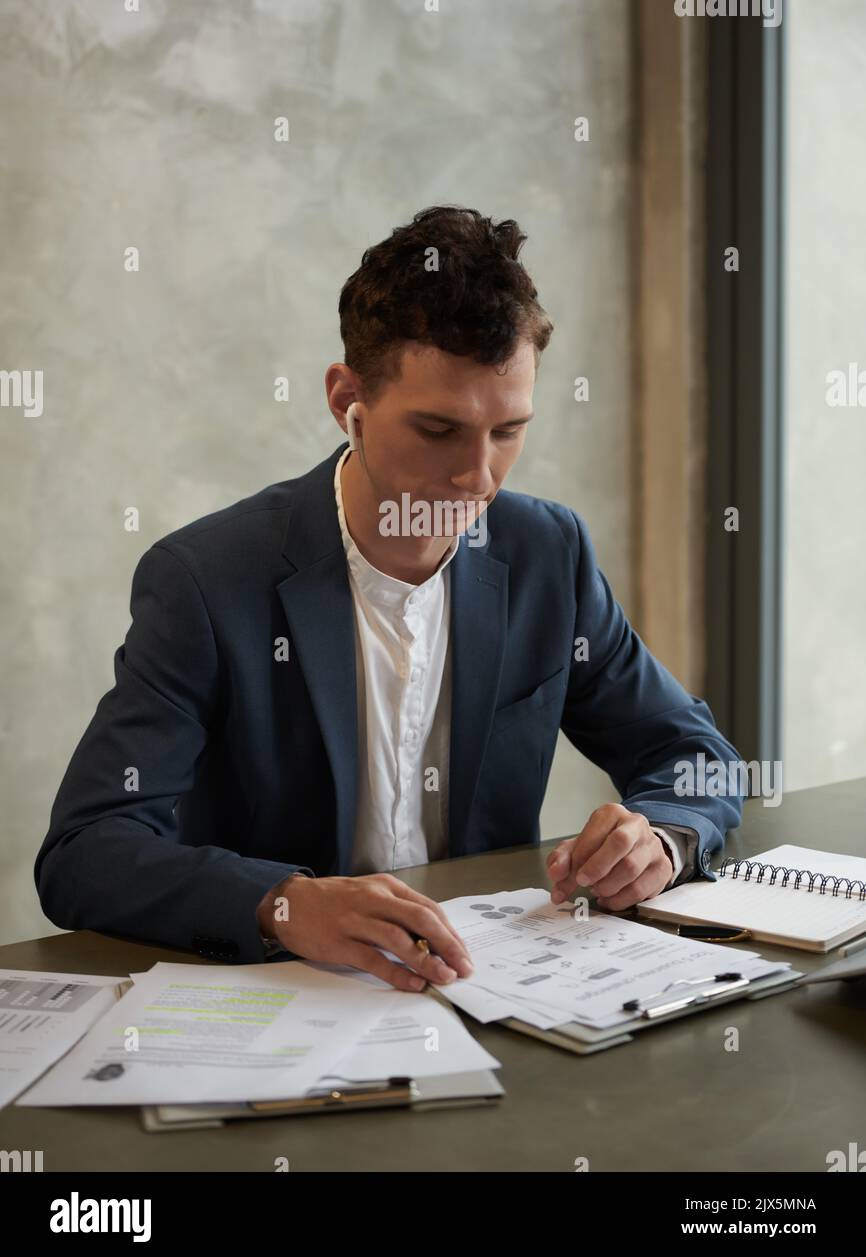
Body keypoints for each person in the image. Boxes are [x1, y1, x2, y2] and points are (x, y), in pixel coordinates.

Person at [35, 205, 744, 992]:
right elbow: (86, 849)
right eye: (439, 431)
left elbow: (696, 759)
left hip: (499, 994)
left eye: (508, 431)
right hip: (289, 1004)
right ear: (347, 401)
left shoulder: (549, 554)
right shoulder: (206, 581)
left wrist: (663, 838)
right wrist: (283, 903)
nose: (479, 476)